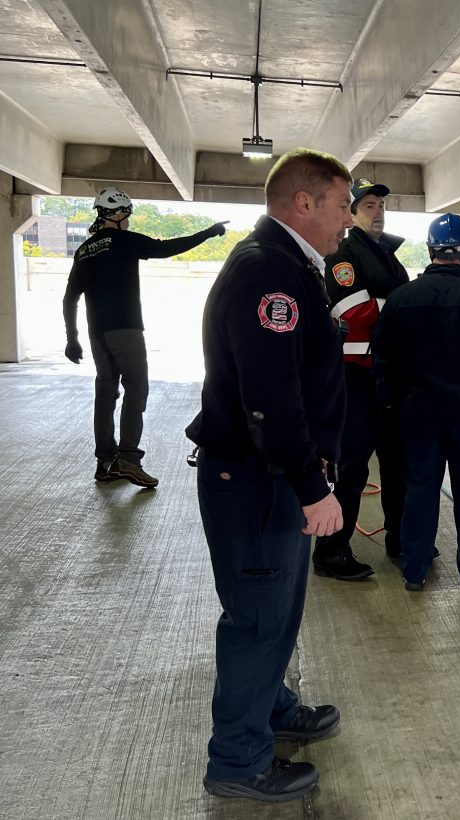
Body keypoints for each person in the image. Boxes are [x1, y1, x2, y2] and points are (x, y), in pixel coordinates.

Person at [186, 148, 352, 802]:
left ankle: (271, 708)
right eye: (341, 205)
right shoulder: (270, 276)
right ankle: (238, 762)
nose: (346, 220)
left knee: (278, 608)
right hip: (257, 482)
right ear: (303, 203)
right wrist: (313, 489)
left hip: (271, 477)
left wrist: (323, 472)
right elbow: (271, 400)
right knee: (257, 617)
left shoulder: (288, 267)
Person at [372, 213, 460, 592]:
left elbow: (381, 361)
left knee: (419, 491)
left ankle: (414, 570)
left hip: (417, 416)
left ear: (431, 250)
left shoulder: (401, 300)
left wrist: (398, 401)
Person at [62, 187, 225, 487]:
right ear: (120, 214)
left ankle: (105, 462)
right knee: (136, 388)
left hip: (97, 333)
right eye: (128, 215)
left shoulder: (84, 249)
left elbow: (69, 298)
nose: (129, 220)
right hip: (125, 328)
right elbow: (166, 248)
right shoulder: (123, 240)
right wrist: (208, 232)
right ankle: (128, 460)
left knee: (105, 394)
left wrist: (72, 338)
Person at [313, 178, 410, 580]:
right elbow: (352, 311)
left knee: (397, 464)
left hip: (389, 379)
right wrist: (407, 308)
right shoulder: (346, 255)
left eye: (381, 205)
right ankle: (331, 553)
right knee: (352, 469)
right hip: (356, 380)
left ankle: (400, 540)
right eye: (368, 205)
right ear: (351, 214)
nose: (378, 212)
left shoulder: (388, 256)